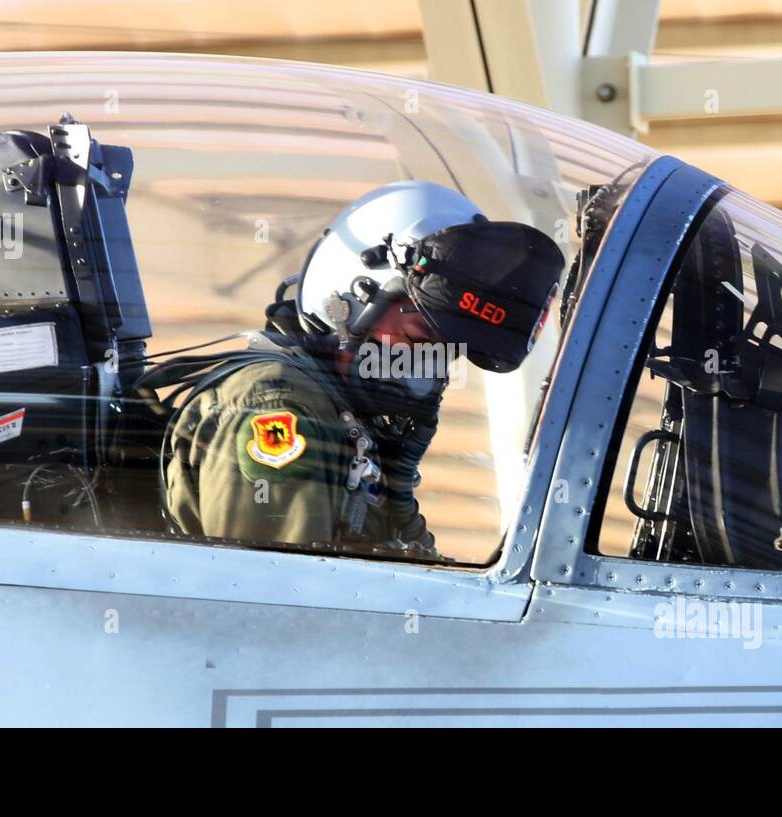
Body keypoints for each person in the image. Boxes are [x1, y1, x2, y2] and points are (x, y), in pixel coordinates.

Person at [158, 180, 564, 558]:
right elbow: (280, 604)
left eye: (447, 352)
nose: (429, 367)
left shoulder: (347, 422)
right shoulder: (279, 407)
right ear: (347, 299)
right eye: (419, 339)